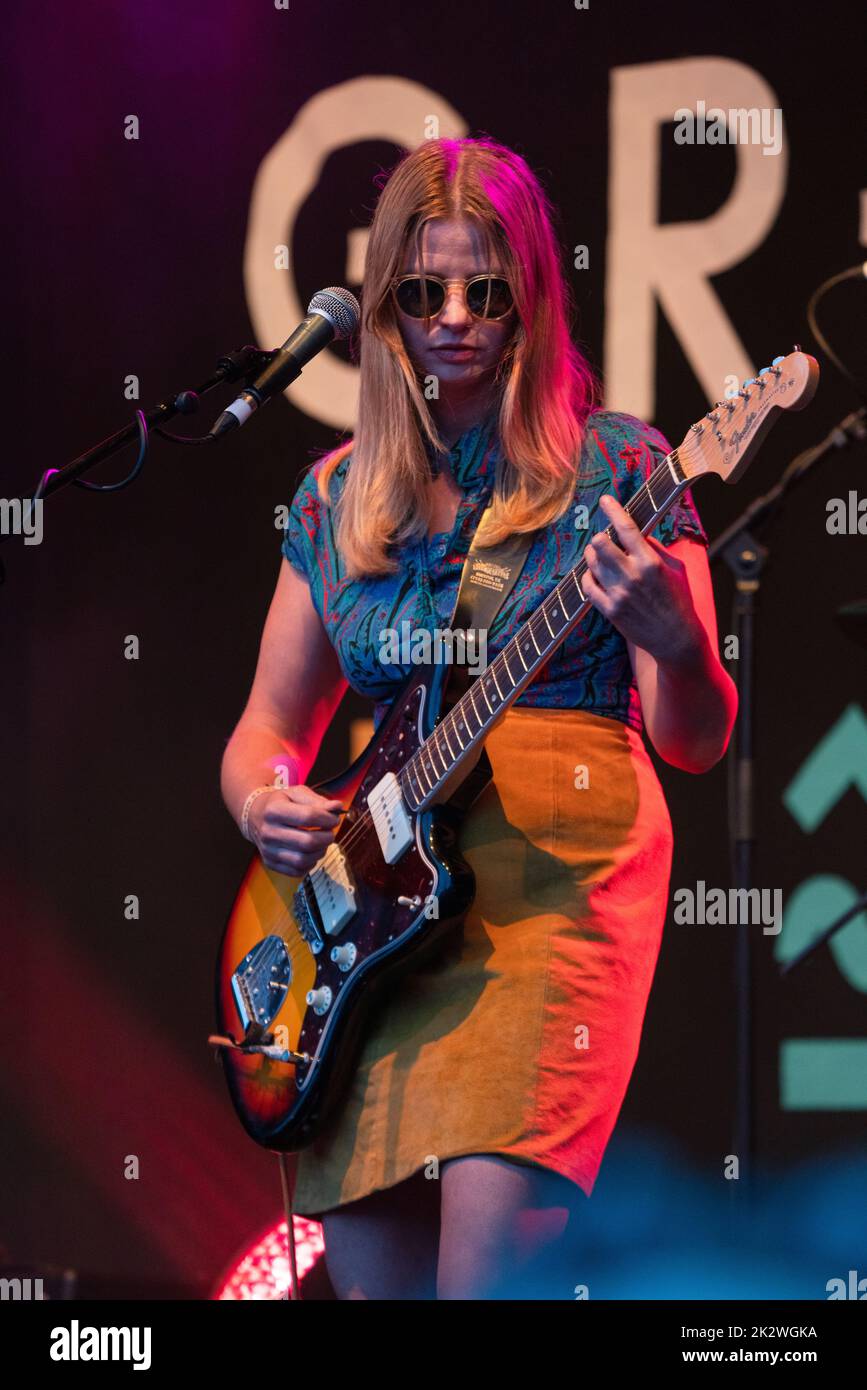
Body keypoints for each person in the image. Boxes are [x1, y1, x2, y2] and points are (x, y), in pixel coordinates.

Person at [220, 136, 737, 1300]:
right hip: (373, 927)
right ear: (385, 306)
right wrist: (267, 804)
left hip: (552, 896)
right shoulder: (336, 496)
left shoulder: (623, 467)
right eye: (423, 291)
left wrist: (674, 640)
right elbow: (264, 727)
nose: (454, 317)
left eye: (485, 291)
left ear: (533, 300)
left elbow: (695, 735)